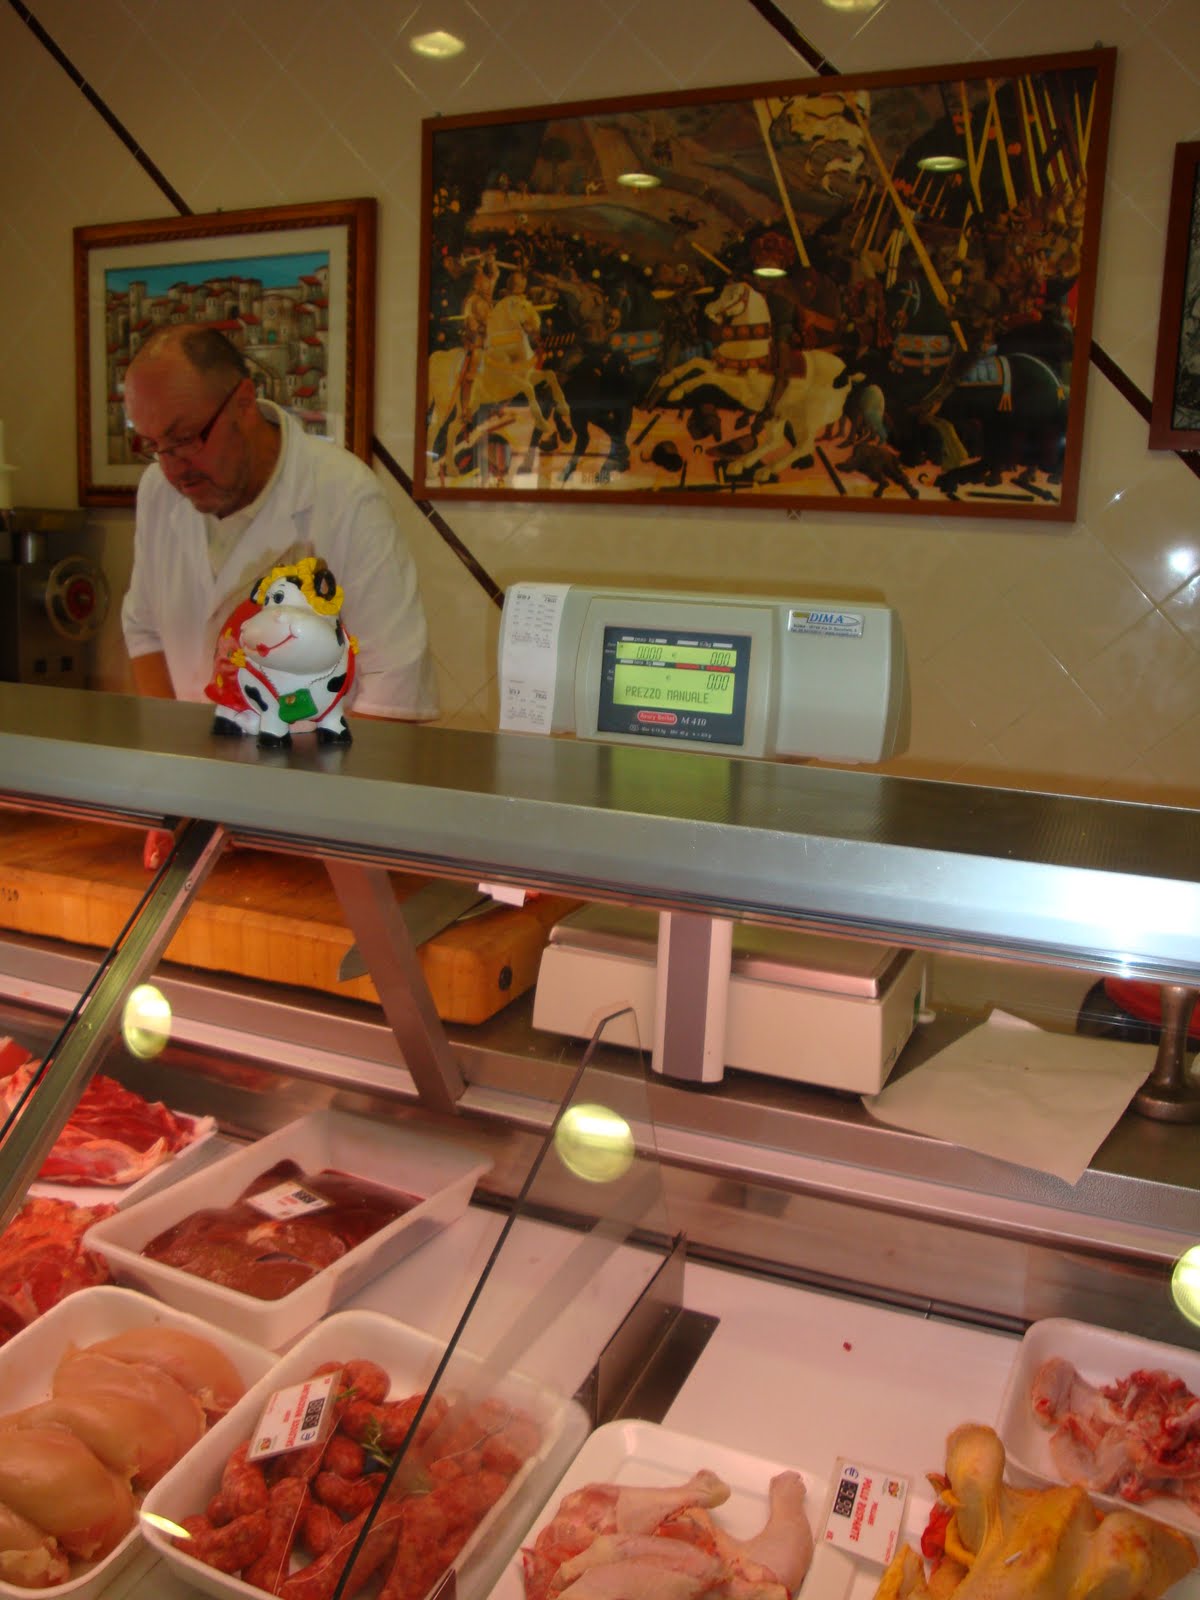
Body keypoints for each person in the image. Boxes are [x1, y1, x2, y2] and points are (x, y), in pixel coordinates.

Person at [120, 324, 438, 722]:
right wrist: (173, 740)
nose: (172, 469)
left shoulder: (346, 496)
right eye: (153, 446)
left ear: (244, 402)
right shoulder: (157, 490)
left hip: (318, 759)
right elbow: (144, 631)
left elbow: (395, 695)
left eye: (184, 438)